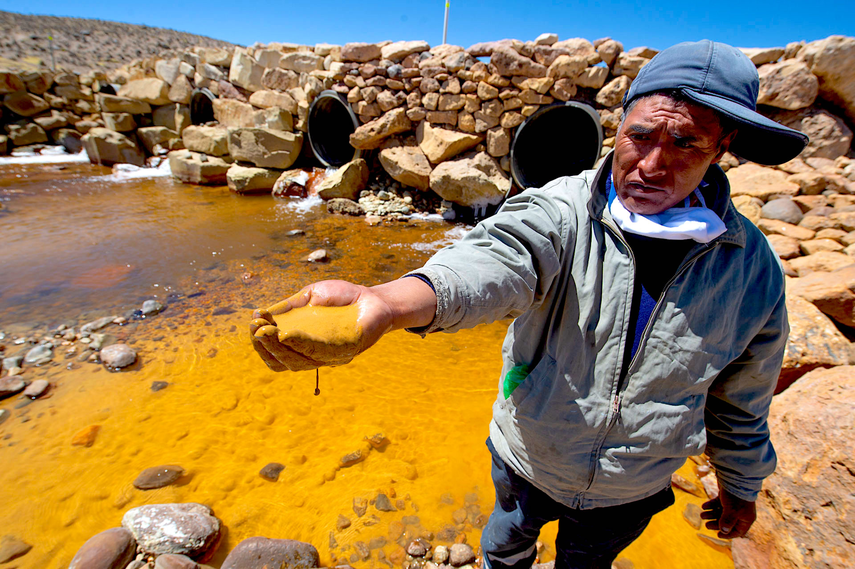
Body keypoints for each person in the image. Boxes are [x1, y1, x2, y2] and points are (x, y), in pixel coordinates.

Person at [250, 40, 808, 568]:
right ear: (620, 124)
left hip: (632, 486)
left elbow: (743, 398)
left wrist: (740, 484)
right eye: (641, 137)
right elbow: (495, 260)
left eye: (685, 144)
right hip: (527, 459)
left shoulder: (750, 269)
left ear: (722, 147)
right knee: (505, 542)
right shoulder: (562, 210)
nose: (651, 165)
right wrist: (387, 302)